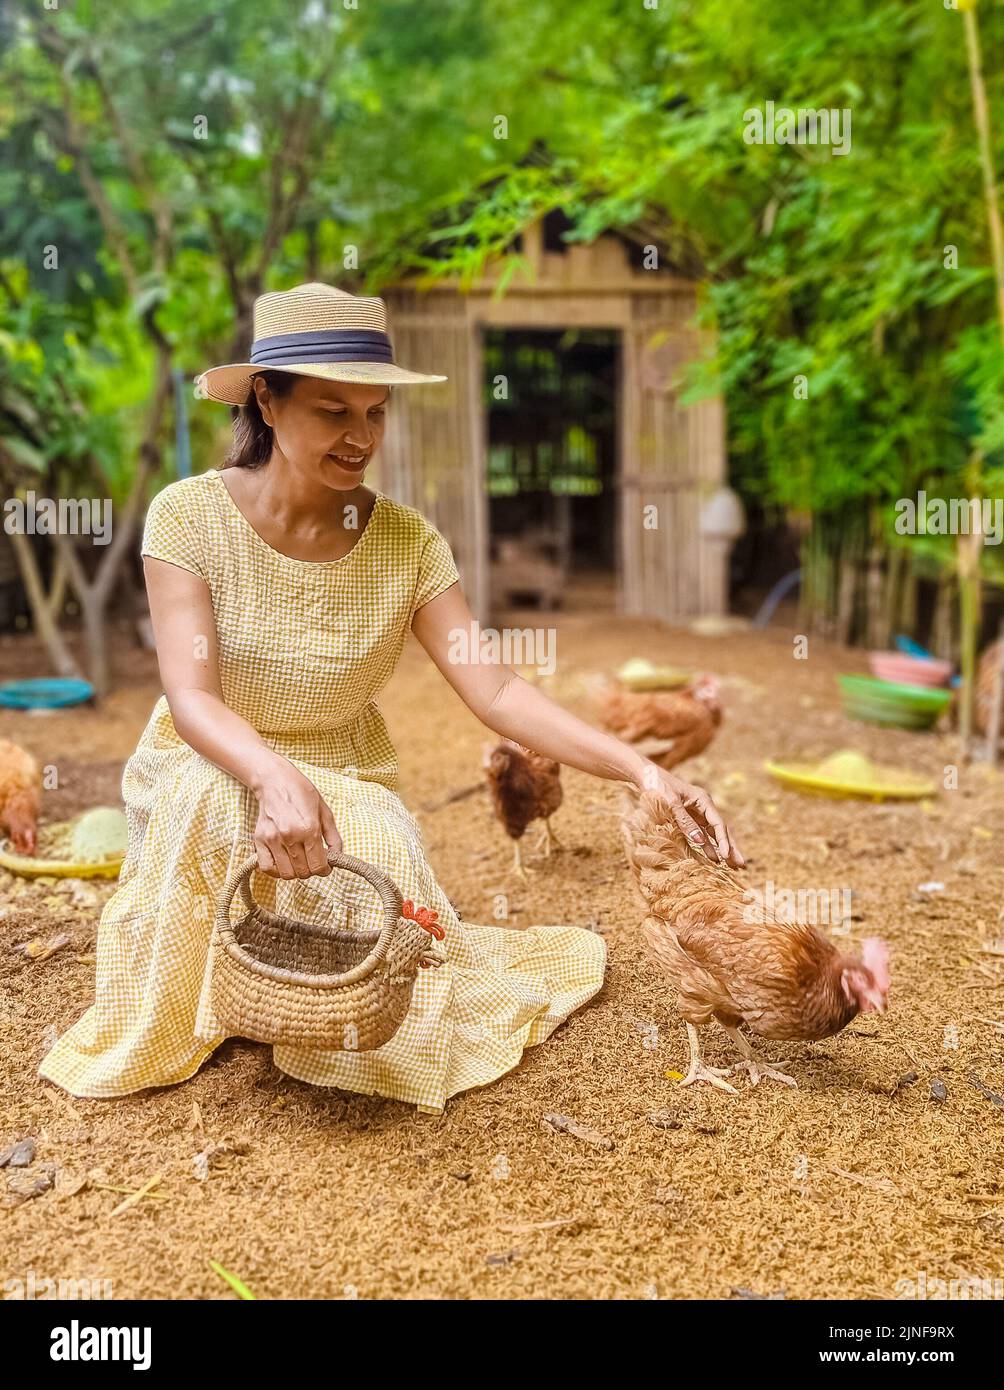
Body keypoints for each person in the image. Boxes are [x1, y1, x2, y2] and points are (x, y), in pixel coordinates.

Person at [38, 282, 743, 1114]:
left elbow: (496, 683)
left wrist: (642, 774)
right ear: (266, 397)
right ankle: (213, 991)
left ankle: (301, 990)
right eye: (334, 411)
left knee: (383, 858)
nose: (361, 436)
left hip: (344, 766)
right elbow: (192, 699)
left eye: (374, 413)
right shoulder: (187, 517)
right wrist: (270, 776)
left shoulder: (407, 542)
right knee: (204, 800)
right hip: (212, 751)